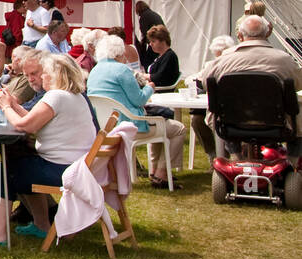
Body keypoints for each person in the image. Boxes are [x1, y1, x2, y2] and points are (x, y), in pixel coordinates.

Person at [0, 54, 98, 245]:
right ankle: (41, 225)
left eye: (44, 73)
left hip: (63, 170)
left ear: (54, 75)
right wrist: (13, 104)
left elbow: (24, 126)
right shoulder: (74, 96)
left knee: (5, 171)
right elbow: (33, 118)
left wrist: (5, 106)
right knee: (21, 162)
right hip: (76, 167)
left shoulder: (56, 96)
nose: (41, 77)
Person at [88, 34, 185, 188]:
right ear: (119, 53)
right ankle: (162, 172)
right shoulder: (121, 70)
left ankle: (155, 170)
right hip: (129, 124)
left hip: (106, 125)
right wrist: (149, 88)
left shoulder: (95, 71)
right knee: (178, 129)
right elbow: (139, 99)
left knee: (160, 123)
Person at [199, 14, 302, 158]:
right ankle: (294, 160)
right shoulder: (283, 60)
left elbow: (205, 82)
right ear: (267, 33)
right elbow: (298, 84)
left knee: (221, 112)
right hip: (275, 122)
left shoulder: (223, 60)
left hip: (232, 123)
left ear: (240, 36)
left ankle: (234, 153)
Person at [145, 24, 180, 88]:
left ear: (163, 41)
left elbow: (159, 77)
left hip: (161, 91)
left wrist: (143, 76)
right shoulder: (161, 56)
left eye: (153, 41)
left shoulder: (170, 56)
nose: (150, 44)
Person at [135, 0, 165, 68]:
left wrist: (142, 45)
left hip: (156, 40)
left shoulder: (144, 16)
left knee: (147, 61)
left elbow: (144, 32)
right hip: (162, 39)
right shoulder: (154, 14)